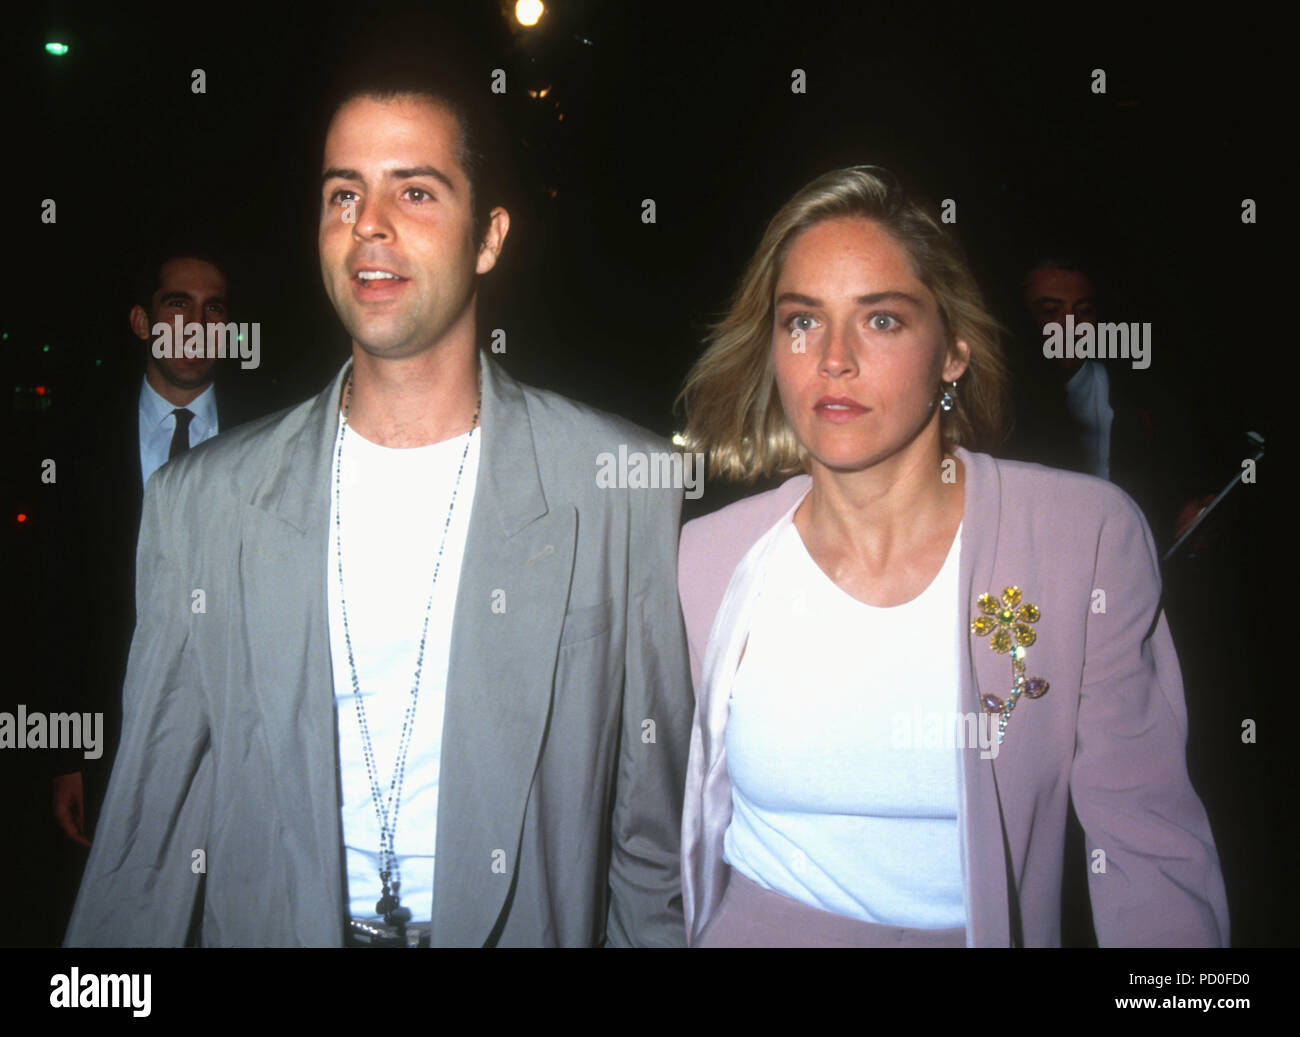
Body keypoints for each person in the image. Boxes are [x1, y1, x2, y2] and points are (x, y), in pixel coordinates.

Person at [63, 56, 692, 947]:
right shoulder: (202, 507)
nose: (369, 224)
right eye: (344, 194)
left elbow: (651, 848)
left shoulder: (617, 488)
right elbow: (147, 842)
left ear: (489, 237)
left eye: (416, 192)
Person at [676, 166, 1228, 947]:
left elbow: (1149, 849)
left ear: (953, 353)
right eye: (802, 320)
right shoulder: (708, 558)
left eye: (881, 320)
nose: (833, 357)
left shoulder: (1083, 538)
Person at [49, 249, 272, 849]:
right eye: (178, 304)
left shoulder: (273, 436)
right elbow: (57, 602)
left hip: (244, 744)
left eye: (213, 309)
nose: (197, 324)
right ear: (141, 322)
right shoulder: (79, 445)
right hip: (119, 737)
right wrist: (67, 756)